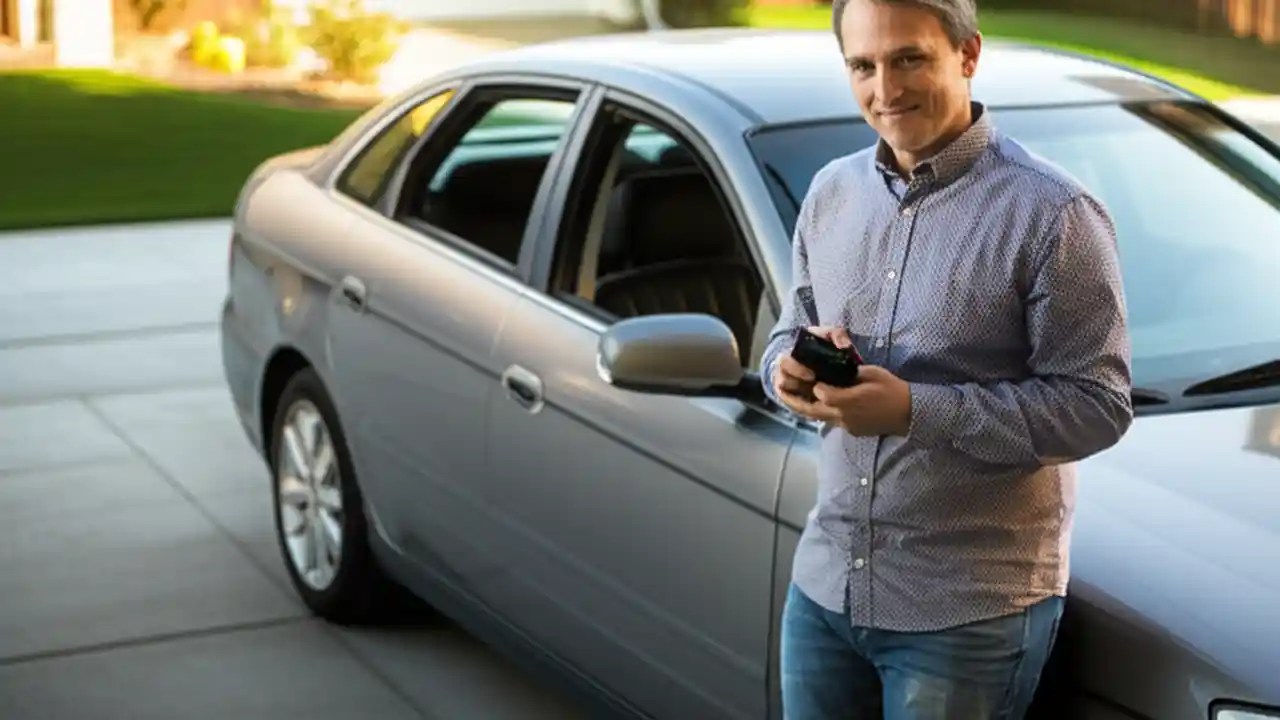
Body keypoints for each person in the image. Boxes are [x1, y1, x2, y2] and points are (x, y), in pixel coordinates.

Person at [758, 0, 1135, 717]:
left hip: (964, 614)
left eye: (909, 59)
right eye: (863, 66)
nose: (885, 89)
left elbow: (1097, 406)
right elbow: (789, 330)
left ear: (967, 55)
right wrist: (790, 373)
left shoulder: (1053, 213)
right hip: (826, 585)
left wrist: (912, 409)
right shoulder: (832, 193)